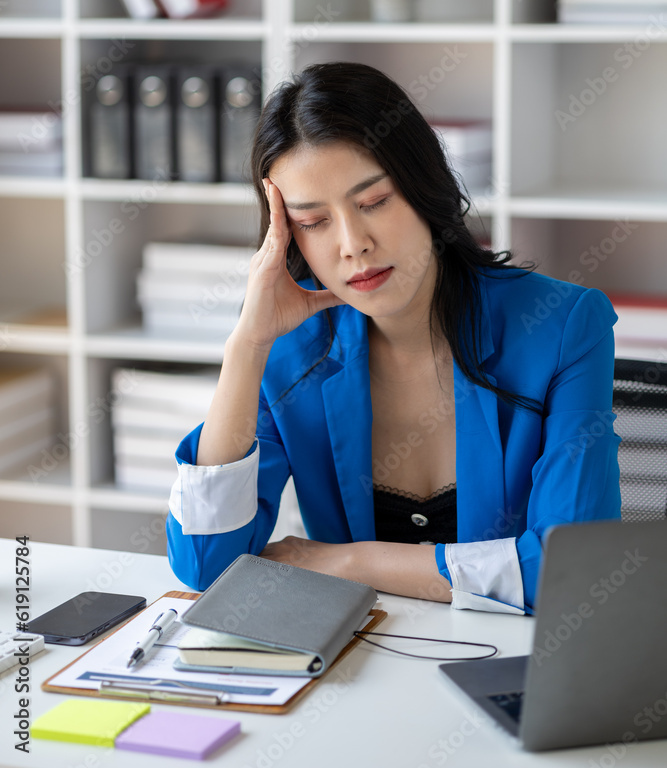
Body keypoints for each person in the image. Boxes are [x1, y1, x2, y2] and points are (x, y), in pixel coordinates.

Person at [166, 61, 621, 615]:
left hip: (512, 668)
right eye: (313, 223)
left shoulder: (564, 326)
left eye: (374, 201)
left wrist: (347, 561)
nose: (352, 244)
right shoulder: (289, 348)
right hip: (364, 667)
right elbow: (206, 565)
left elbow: (570, 572)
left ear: (423, 185)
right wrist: (246, 348)